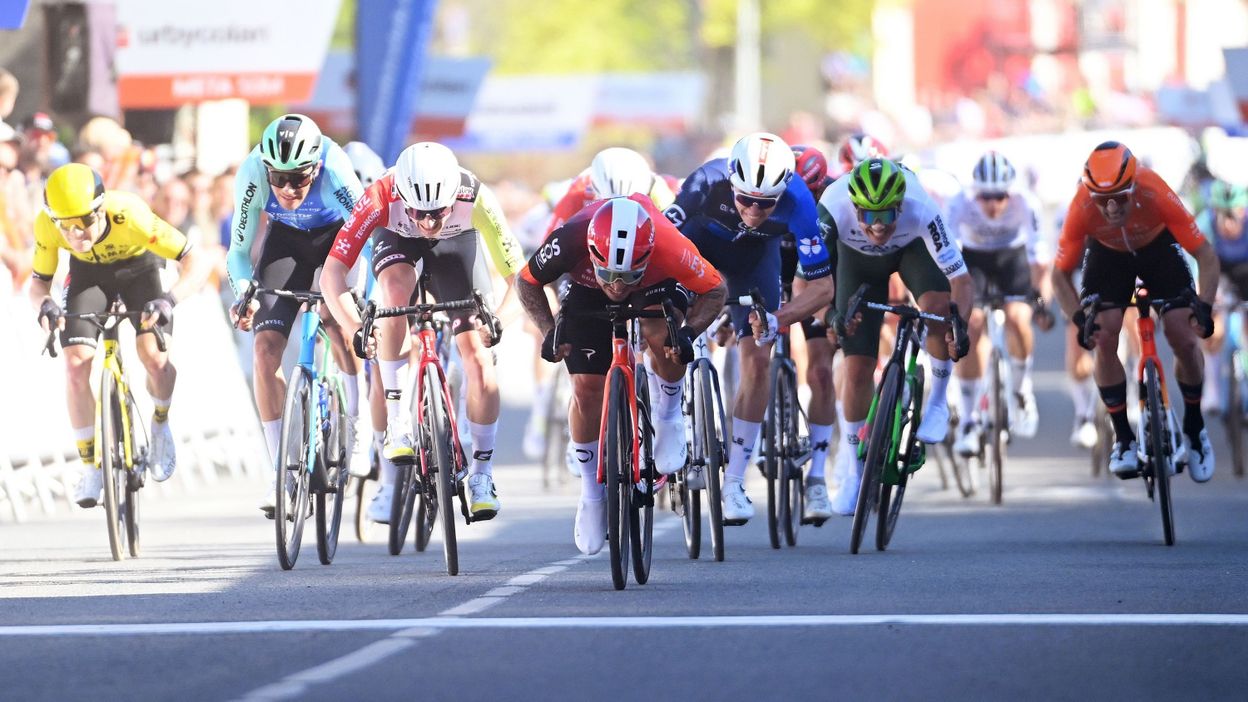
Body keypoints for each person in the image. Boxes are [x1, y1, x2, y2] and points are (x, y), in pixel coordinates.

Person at [320, 141, 524, 522]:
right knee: (394, 294)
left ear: (453, 198)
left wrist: (497, 319)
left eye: (438, 212)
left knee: (479, 359)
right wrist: (355, 327)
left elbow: (521, 279)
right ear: (402, 197)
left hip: (456, 248)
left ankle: (482, 475)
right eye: (418, 213)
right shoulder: (380, 195)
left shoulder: (475, 196)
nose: (429, 223)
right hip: (399, 243)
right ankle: (398, 421)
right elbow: (332, 273)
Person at [517, 195, 727, 554]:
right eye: (610, 276)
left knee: (664, 337)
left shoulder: (668, 244)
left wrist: (689, 334)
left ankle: (668, 415)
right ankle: (591, 493)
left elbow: (715, 289)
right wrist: (549, 331)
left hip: (654, 285)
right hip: (586, 287)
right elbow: (526, 282)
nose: (617, 286)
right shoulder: (570, 238)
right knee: (586, 389)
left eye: (626, 276)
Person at [665, 132, 834, 525]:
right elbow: (663, 237)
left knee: (758, 359)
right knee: (666, 323)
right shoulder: (706, 181)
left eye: (766, 203)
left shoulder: (798, 199)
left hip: (754, 264)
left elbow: (823, 287)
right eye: (745, 199)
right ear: (732, 182)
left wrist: (778, 318)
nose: (755, 210)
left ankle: (734, 483)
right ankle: (669, 415)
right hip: (696, 251)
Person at [30, 164, 209, 506]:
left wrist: (170, 299)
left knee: (154, 358)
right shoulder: (47, 224)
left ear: (100, 209)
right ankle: (90, 467)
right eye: (65, 225)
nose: (75, 233)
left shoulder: (130, 213)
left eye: (84, 221)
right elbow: (38, 285)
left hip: (142, 269)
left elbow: (195, 260)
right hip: (88, 276)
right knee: (76, 365)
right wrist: (45, 305)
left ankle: (160, 423)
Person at [226, 114, 368, 515]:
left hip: (339, 242)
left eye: (299, 178)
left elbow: (371, 241)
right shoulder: (252, 172)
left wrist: (363, 302)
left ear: (316, 167)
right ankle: (281, 474)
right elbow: (238, 252)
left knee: (336, 322)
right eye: (279, 178)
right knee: (264, 350)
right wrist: (243, 295)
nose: (288, 189)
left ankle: (357, 424)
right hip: (286, 244)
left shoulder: (337, 170)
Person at [1051, 141, 1218, 481]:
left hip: (1158, 249)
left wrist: (1204, 305)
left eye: (1119, 198)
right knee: (1103, 333)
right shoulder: (1081, 205)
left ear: (1134, 186)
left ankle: (1195, 426)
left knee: (1183, 334)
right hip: (1108, 256)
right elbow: (1059, 275)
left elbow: (1206, 255)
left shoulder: (1154, 190)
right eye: (1102, 200)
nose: (1111, 208)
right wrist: (1079, 319)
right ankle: (1123, 438)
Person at [819, 158, 973, 515]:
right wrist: (831, 317)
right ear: (853, 207)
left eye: (887, 215)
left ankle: (937, 402)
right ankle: (854, 475)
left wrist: (959, 326)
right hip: (856, 262)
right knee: (856, 367)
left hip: (911, 252)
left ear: (901, 207)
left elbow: (962, 281)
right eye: (867, 215)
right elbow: (810, 282)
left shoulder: (922, 207)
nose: (876, 226)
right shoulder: (831, 207)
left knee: (938, 309)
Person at [943, 150, 1051, 455]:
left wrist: (1041, 302)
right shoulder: (959, 203)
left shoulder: (1026, 202)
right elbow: (946, 257)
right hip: (974, 259)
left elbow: (1040, 260)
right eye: (985, 197)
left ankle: (1022, 391)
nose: (993, 204)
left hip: (1011, 258)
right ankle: (968, 420)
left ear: (1010, 192)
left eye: (1000, 196)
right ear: (975, 193)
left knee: (1017, 317)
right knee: (972, 323)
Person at [1196, 180, 1248, 416]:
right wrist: (1205, 295)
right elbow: (1195, 262)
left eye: (1234, 214)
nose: (1228, 223)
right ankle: (1213, 387)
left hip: (1245, 273)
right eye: (1222, 214)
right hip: (1219, 272)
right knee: (1213, 326)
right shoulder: (1205, 223)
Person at [543, 147, 676, 236]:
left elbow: (675, 235)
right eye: (608, 202)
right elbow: (550, 242)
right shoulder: (579, 191)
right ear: (595, 190)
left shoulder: (656, 189)